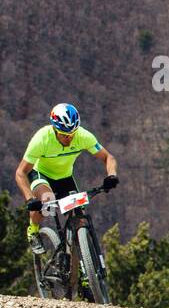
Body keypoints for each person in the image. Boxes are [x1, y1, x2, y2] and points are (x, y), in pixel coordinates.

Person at [14, 103, 118, 259]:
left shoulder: (83, 136)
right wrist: (30, 198)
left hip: (65, 178)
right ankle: (33, 230)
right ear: (55, 129)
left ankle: (83, 268)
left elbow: (108, 157)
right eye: (64, 134)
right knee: (47, 202)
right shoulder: (41, 139)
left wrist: (112, 175)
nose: (69, 138)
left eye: (72, 134)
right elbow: (20, 172)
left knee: (80, 218)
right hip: (41, 175)